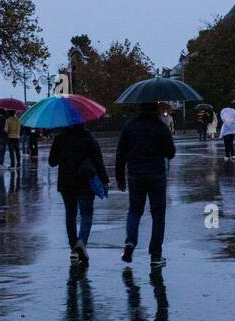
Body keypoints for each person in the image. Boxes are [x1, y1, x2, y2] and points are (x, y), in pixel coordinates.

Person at [115, 102, 176, 266]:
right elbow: (170, 152)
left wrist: (119, 177)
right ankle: (156, 254)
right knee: (158, 215)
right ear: (156, 109)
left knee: (134, 211)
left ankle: (130, 241)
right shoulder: (160, 127)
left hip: (135, 175)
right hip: (156, 174)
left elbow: (120, 153)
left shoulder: (130, 126)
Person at [48, 122, 108, 263]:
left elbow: (52, 162)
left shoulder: (60, 138)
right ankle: (82, 242)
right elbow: (98, 161)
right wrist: (105, 180)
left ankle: (73, 247)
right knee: (86, 214)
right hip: (84, 181)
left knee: (70, 214)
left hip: (65, 182)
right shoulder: (88, 138)